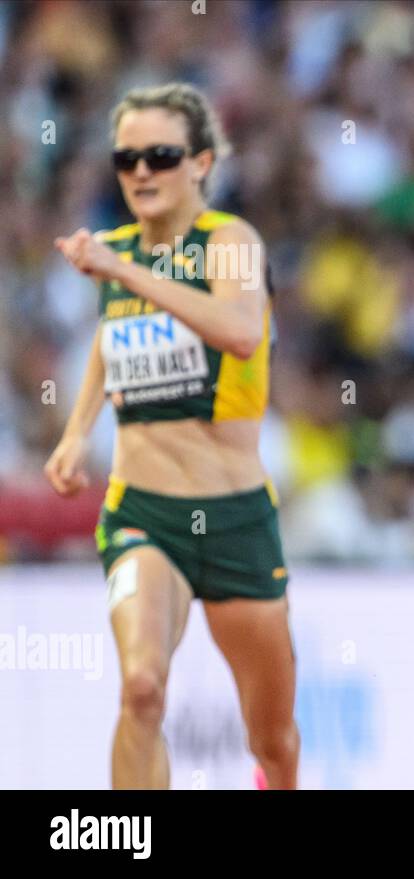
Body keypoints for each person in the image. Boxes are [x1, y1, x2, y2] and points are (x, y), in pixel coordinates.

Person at [44, 83, 298, 789]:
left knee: (272, 736)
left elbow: (242, 331)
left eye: (161, 154)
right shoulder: (115, 254)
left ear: (201, 163)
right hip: (143, 514)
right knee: (142, 687)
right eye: (126, 158)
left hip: (237, 518)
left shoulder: (233, 242)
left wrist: (124, 270)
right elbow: (111, 335)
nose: (141, 172)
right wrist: (75, 432)